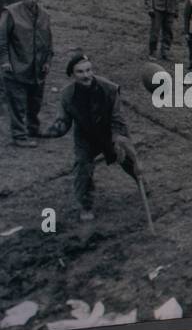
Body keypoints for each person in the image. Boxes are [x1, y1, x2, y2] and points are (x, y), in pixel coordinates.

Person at [36, 51, 140, 222]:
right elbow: (63, 122)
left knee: (127, 158)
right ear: (72, 75)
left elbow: (118, 119)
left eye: (88, 70)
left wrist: (118, 139)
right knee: (82, 167)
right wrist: (48, 132)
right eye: (80, 72)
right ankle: (86, 205)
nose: (86, 75)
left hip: (109, 131)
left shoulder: (109, 88)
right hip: (85, 135)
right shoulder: (67, 95)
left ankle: (141, 181)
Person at [0, 0, 52, 147]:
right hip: (16, 65)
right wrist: (5, 61)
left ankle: (33, 128)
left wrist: (47, 60)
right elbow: (2, 40)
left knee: (35, 101)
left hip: (37, 68)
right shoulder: (10, 12)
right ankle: (19, 136)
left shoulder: (44, 15)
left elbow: (48, 40)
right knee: (18, 103)